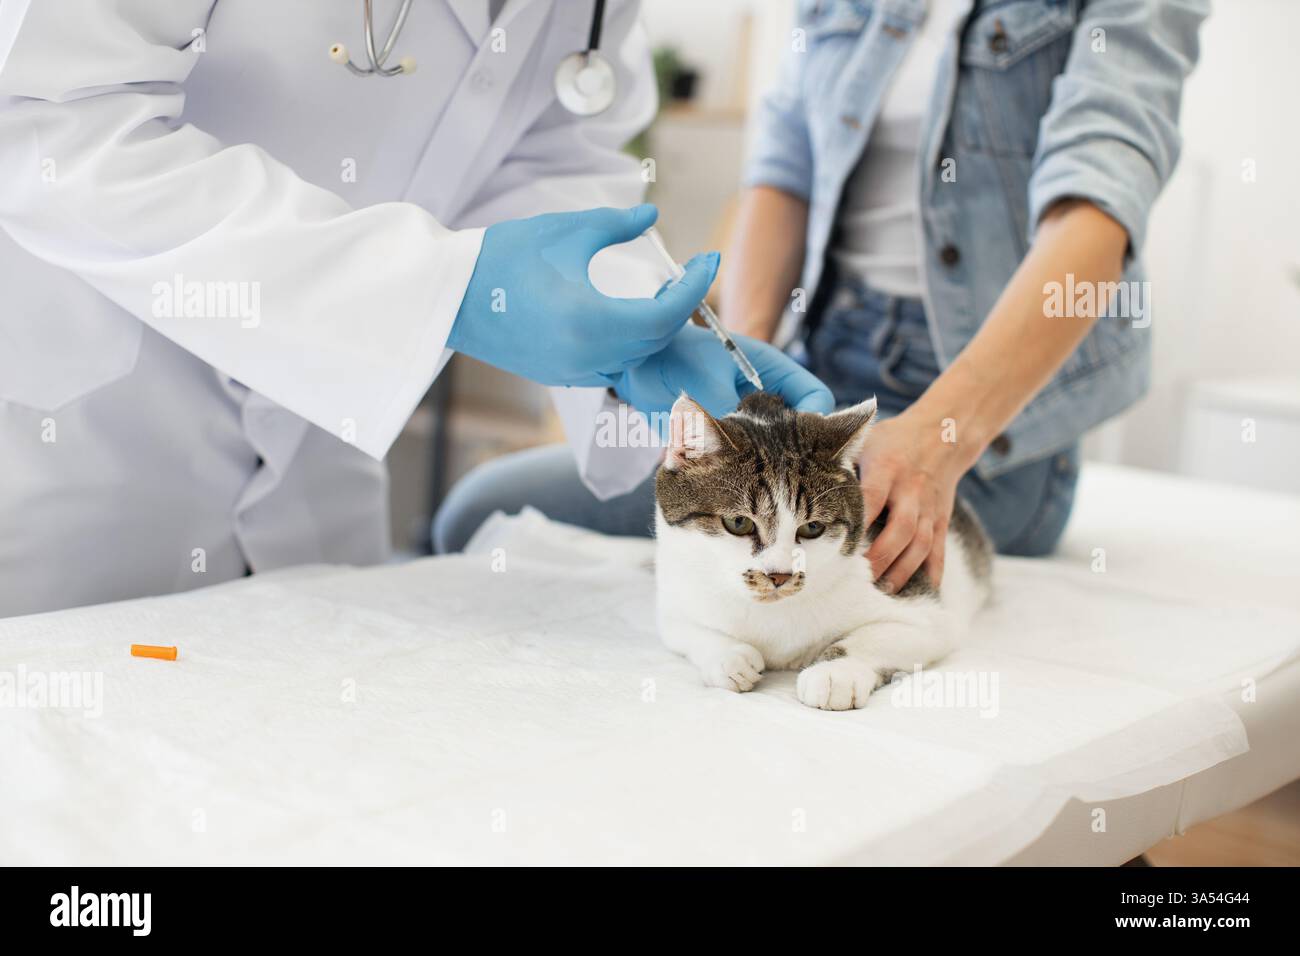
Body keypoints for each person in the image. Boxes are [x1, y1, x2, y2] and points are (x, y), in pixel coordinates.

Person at [0, 0, 832, 617]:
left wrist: (645, 333)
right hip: (84, 442)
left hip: (317, 472)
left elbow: (547, 144)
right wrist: (438, 289)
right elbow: (54, 124)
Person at [434, 0, 1209, 592]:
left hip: (983, 420)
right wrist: (733, 372)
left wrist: (937, 446)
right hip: (818, 368)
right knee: (475, 508)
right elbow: (783, 173)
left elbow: (1094, 209)